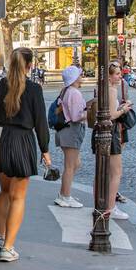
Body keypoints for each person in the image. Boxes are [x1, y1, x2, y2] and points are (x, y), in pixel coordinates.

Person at [0, 48, 52, 262]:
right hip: (22, 142)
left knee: (4, 192)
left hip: (0, 141)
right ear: (30, 66)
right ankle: (8, 247)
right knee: (18, 197)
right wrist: (45, 149)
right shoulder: (33, 89)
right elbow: (41, 122)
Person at [89, 63, 132, 222]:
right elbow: (112, 115)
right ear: (109, 76)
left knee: (101, 170)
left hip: (99, 131)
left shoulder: (100, 89)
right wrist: (124, 109)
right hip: (110, 131)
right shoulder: (112, 90)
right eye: (117, 74)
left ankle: (98, 204)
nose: (120, 76)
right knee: (116, 172)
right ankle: (110, 207)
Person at [49, 64, 87, 209]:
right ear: (75, 78)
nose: (82, 77)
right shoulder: (74, 93)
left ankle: (64, 193)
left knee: (75, 164)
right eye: (80, 75)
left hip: (65, 131)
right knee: (70, 166)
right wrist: (88, 112)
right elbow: (77, 116)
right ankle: (65, 196)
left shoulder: (66, 91)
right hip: (71, 131)